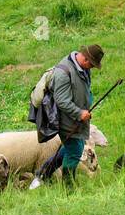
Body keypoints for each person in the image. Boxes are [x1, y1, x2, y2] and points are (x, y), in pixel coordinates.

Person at [29, 43, 104, 189]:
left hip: (78, 117)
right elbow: (62, 101)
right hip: (65, 118)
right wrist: (79, 112)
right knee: (75, 151)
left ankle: (43, 173)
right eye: (92, 64)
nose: (93, 68)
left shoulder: (82, 68)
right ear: (86, 59)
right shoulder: (64, 72)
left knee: (74, 147)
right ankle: (68, 187)